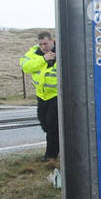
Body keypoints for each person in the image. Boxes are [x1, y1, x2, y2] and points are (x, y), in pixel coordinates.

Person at [20, 30, 59, 161]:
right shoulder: (34, 53)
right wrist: (43, 59)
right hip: (42, 95)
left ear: (52, 41)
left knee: (52, 124)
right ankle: (59, 143)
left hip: (56, 95)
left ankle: (50, 156)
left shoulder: (61, 51)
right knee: (44, 124)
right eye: (41, 44)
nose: (43, 47)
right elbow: (26, 66)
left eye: (46, 43)